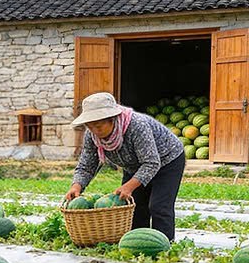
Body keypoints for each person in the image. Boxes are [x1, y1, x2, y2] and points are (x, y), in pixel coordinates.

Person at [64, 92, 186, 240]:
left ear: (112, 119)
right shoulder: (92, 135)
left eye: (98, 126)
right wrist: (77, 185)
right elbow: (86, 165)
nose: (95, 130)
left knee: (159, 206)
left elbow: (151, 163)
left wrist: (129, 186)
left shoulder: (136, 125)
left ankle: (165, 245)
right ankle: (139, 243)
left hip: (167, 161)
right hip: (134, 166)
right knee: (135, 207)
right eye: (90, 126)